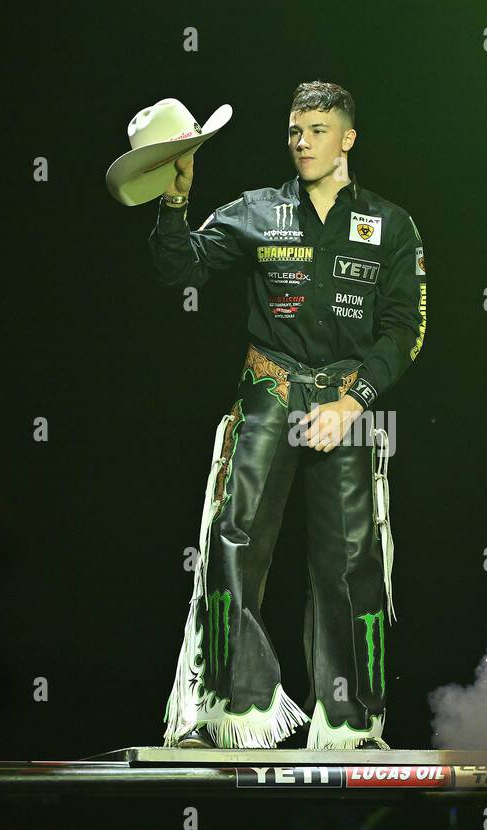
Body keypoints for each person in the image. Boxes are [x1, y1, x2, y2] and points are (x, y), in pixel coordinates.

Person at [148, 80, 426, 750]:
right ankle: (228, 707)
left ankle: (352, 723)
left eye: (318, 130)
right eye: (295, 131)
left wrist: (351, 403)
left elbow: (405, 329)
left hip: (345, 401)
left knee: (354, 560)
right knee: (233, 539)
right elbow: (177, 269)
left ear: (348, 138)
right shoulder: (258, 210)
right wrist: (176, 196)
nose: (303, 142)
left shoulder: (390, 224)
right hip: (268, 387)